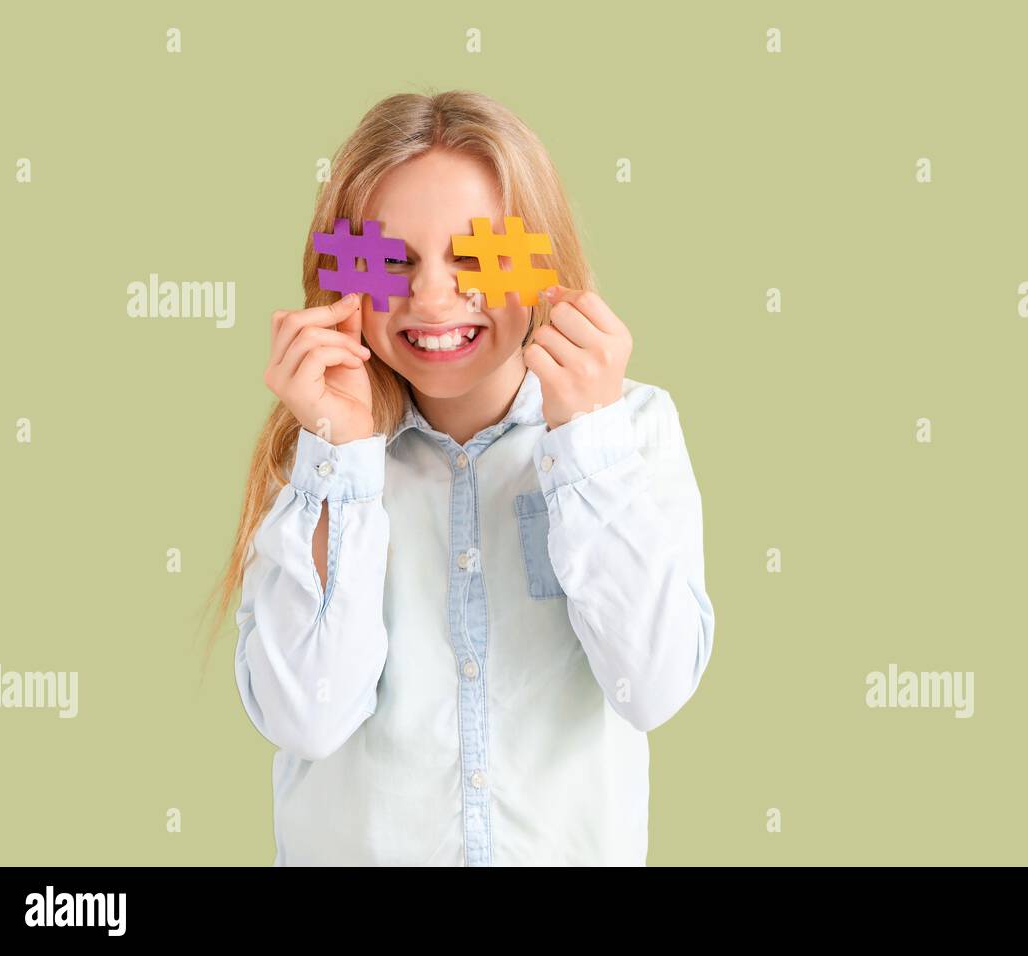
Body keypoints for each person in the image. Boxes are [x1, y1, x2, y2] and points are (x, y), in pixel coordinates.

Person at [204, 90, 715, 865]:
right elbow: (305, 718)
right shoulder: (313, 457)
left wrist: (587, 445)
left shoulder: (633, 429)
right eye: (391, 262)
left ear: (541, 260)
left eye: (477, 256)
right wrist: (339, 454)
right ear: (343, 277)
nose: (434, 297)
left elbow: (653, 686)